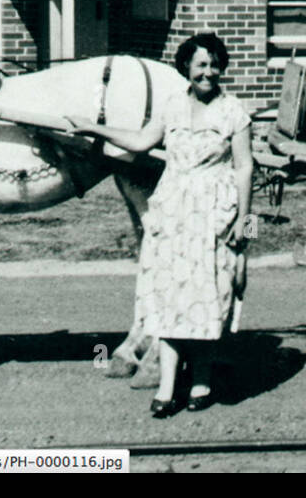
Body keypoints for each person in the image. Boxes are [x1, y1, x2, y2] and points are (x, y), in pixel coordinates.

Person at [69, 33, 253, 418]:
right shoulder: (171, 107)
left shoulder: (234, 111)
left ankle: (201, 380)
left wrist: (244, 222)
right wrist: (94, 128)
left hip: (214, 214)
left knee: (206, 302)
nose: (208, 72)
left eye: (214, 64)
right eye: (201, 64)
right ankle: (168, 386)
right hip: (173, 213)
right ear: (186, 67)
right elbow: (139, 142)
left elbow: (244, 167)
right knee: (171, 300)